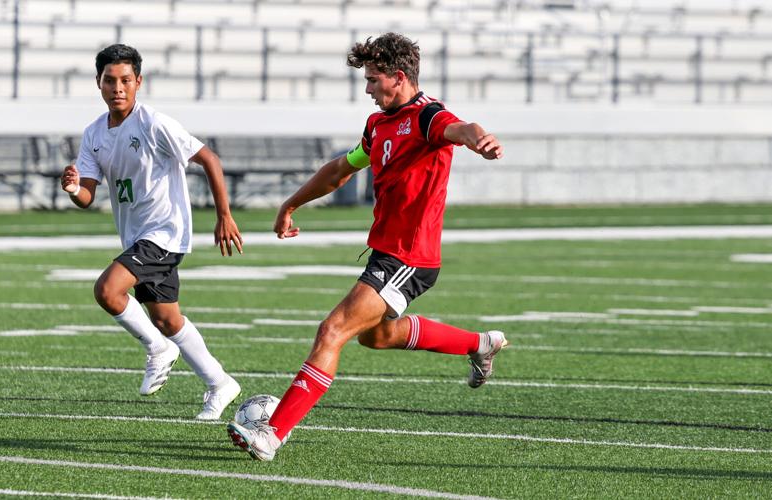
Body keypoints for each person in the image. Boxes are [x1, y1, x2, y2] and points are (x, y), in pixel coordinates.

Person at [227, 32, 508, 460]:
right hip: (386, 252)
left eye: (374, 79)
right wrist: (291, 203)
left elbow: (460, 128)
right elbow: (341, 168)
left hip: (409, 257)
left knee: (333, 330)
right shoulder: (378, 126)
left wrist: (481, 139)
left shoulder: (426, 116)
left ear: (398, 77)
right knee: (378, 336)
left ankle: (272, 433)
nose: (368, 89)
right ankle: (478, 343)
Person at [61, 44, 243, 420]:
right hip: (137, 237)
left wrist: (224, 215)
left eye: (125, 80)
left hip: (165, 232)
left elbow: (209, 158)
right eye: (109, 80)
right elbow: (87, 195)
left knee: (108, 290)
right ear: (98, 83)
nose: (118, 87)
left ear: (139, 82)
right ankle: (219, 381)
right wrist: (72, 188)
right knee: (167, 319)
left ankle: (158, 350)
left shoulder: (153, 123)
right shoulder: (94, 133)